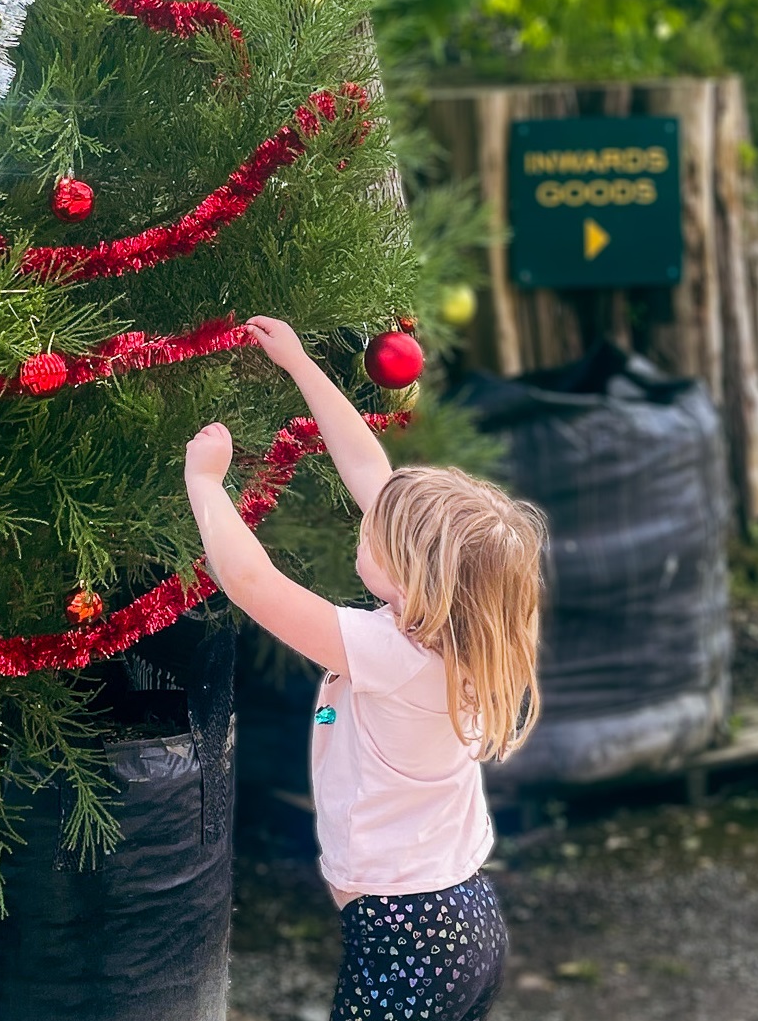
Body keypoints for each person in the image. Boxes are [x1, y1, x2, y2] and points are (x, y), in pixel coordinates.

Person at [183, 316, 545, 1021]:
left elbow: (254, 585)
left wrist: (206, 483)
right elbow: (368, 470)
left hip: (407, 938)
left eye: (378, 531)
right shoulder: (458, 637)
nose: (366, 519)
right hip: (467, 917)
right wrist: (301, 367)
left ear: (414, 576)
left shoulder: (394, 655)